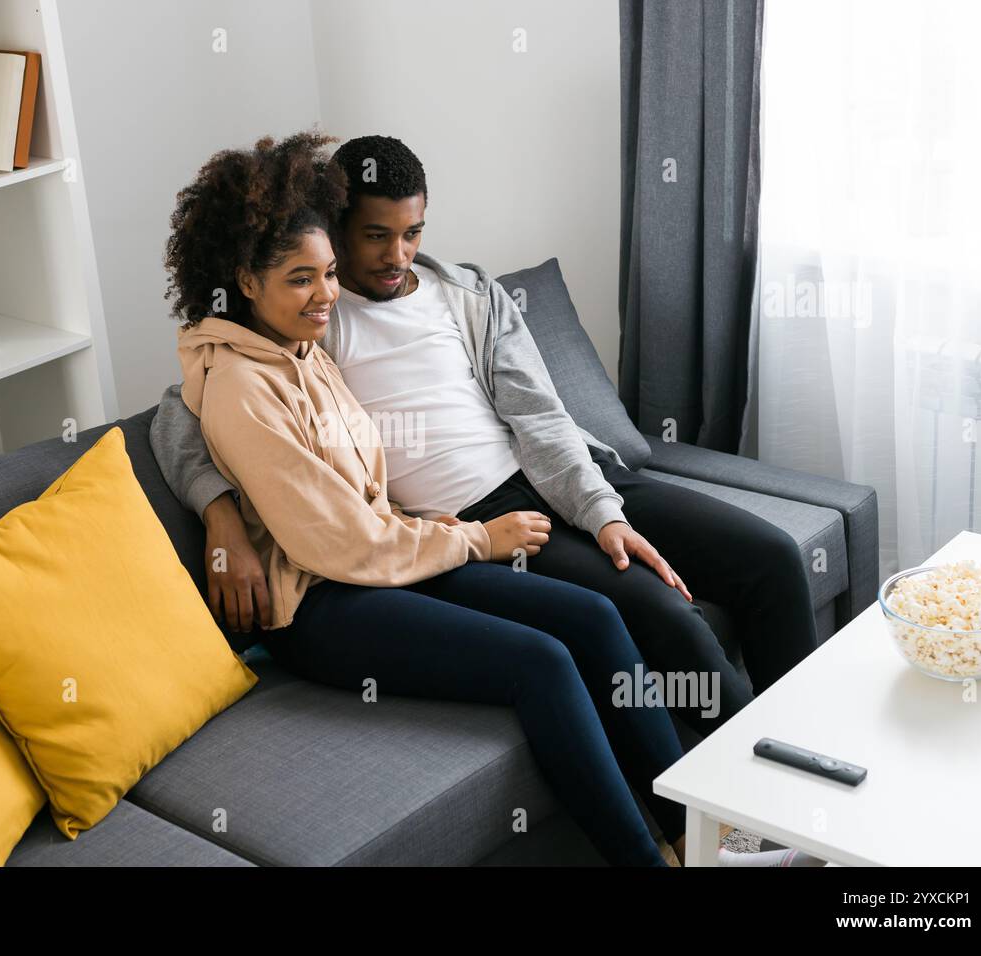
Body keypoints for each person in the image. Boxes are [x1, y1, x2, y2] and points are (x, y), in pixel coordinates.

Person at [153, 134, 819, 736]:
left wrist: (601, 512)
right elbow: (185, 404)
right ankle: (754, 801)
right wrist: (220, 515)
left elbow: (540, 416)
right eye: (375, 236)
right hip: (486, 512)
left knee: (772, 557)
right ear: (335, 228)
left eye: (412, 232)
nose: (397, 256)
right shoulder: (311, 321)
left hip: (571, 471)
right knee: (668, 618)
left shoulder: (467, 294)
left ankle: (811, 747)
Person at [164, 130, 692, 867]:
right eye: (299, 280)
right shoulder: (241, 385)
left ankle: (700, 838)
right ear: (245, 283)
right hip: (324, 604)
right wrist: (477, 539)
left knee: (596, 615)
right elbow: (338, 545)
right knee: (538, 661)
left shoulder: (299, 349)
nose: (325, 297)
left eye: (326, 274)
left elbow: (362, 507)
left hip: (386, 556)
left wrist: (431, 527)